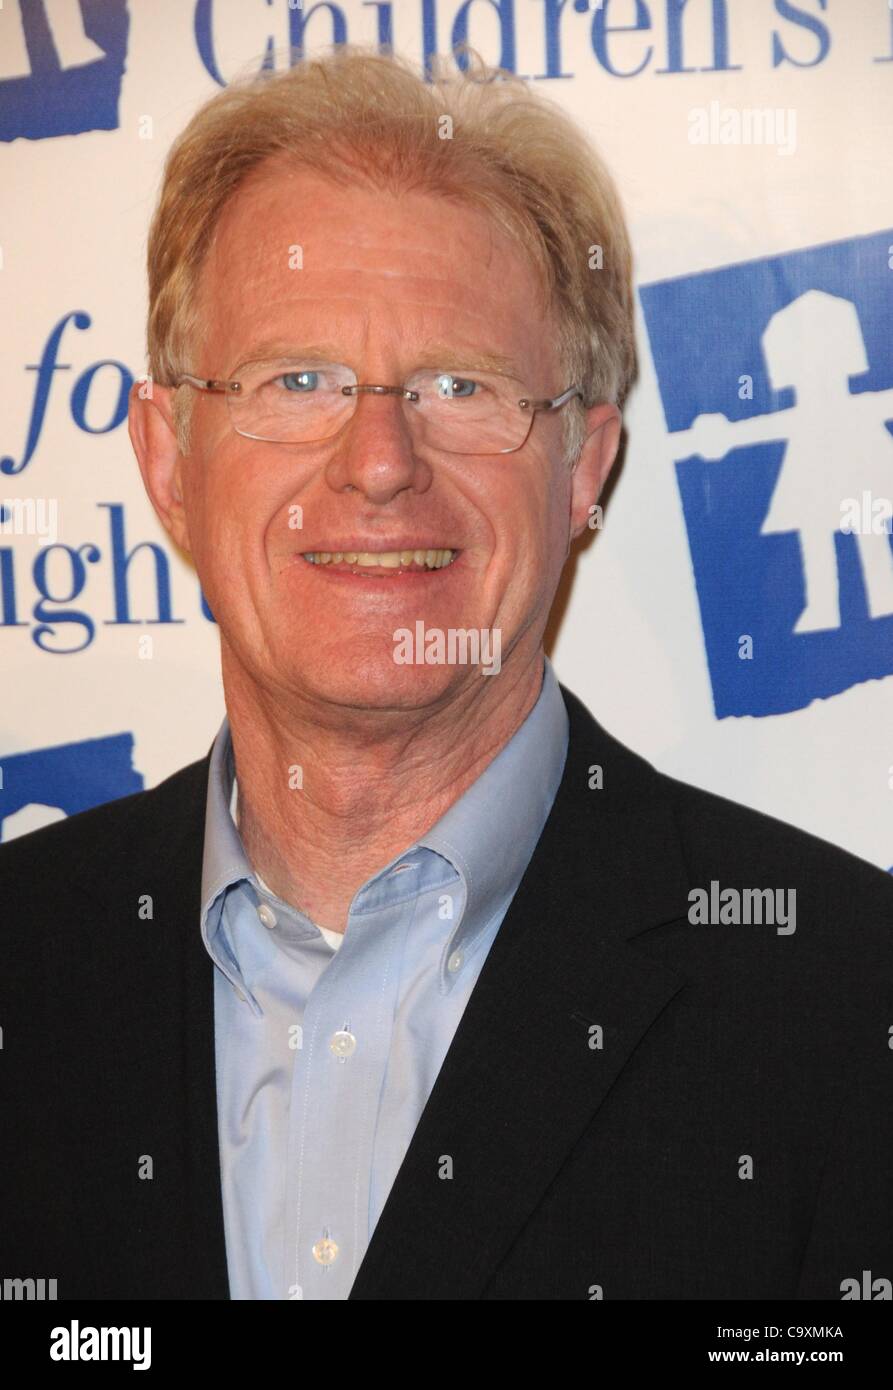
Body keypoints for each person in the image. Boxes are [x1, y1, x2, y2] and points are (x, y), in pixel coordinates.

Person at [1, 44, 891, 1303]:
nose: (376, 460)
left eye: (458, 385)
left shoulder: (847, 1005)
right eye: (296, 379)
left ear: (582, 466)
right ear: (167, 458)